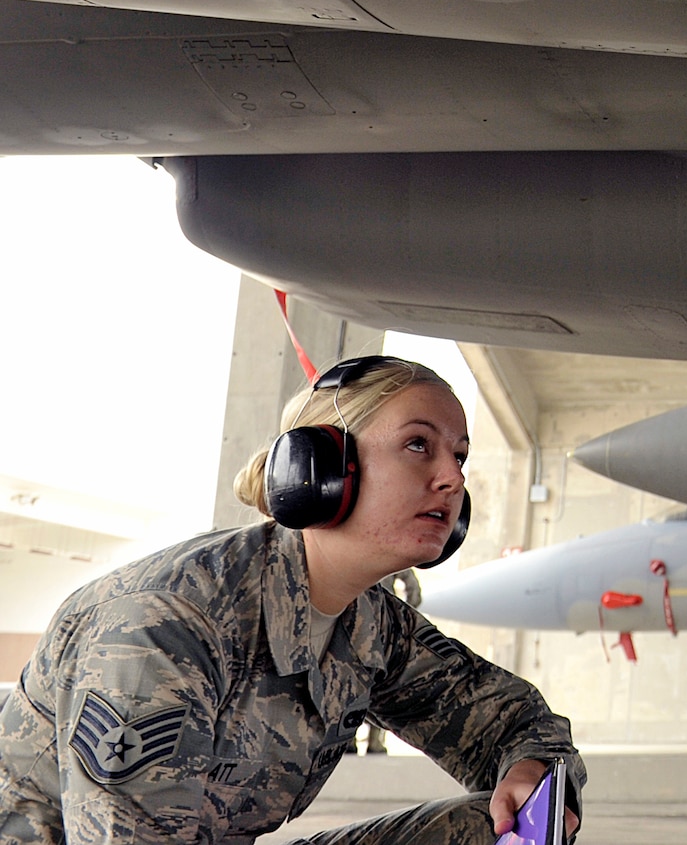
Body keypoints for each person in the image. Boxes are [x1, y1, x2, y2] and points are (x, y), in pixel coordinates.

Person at [0, 357, 584, 845]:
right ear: (324, 468)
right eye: (417, 445)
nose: (451, 479)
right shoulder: (167, 624)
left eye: (458, 456)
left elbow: (513, 722)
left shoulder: (372, 625)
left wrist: (530, 770)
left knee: (485, 830)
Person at [357, 569, 423, 756]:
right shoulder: (392, 554)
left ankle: (348, 740)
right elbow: (414, 590)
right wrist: (402, 614)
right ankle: (375, 742)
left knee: (354, 679)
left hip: (356, 624)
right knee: (380, 681)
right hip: (384, 625)